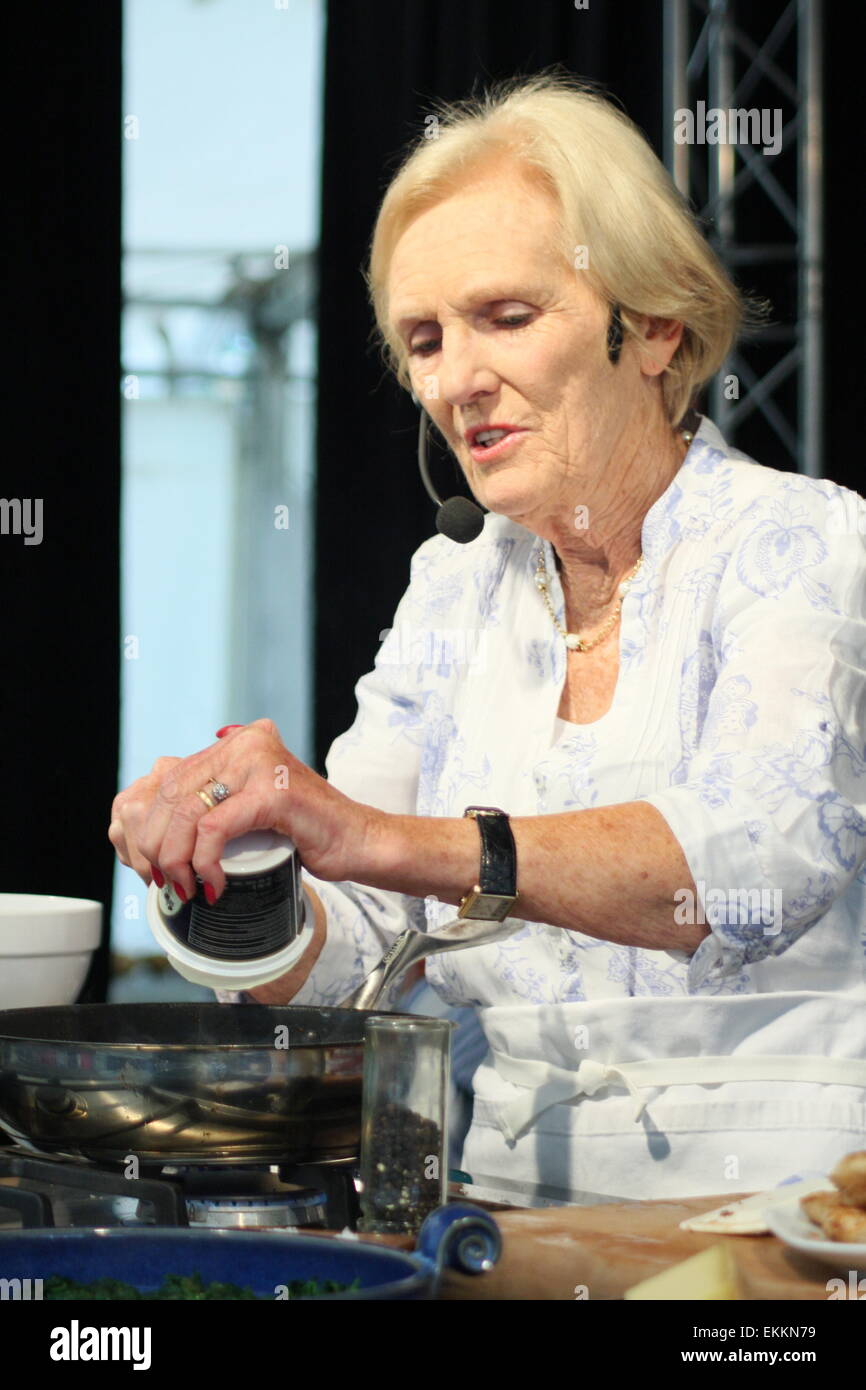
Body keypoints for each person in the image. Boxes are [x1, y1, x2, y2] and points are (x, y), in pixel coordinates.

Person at [110, 73, 866, 1206]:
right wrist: (228, 864)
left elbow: (752, 856)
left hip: (788, 1218)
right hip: (510, 1218)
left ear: (651, 324)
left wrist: (371, 833)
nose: (457, 379)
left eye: (505, 317)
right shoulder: (451, 592)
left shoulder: (805, 541)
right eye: (424, 338)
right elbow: (362, 948)